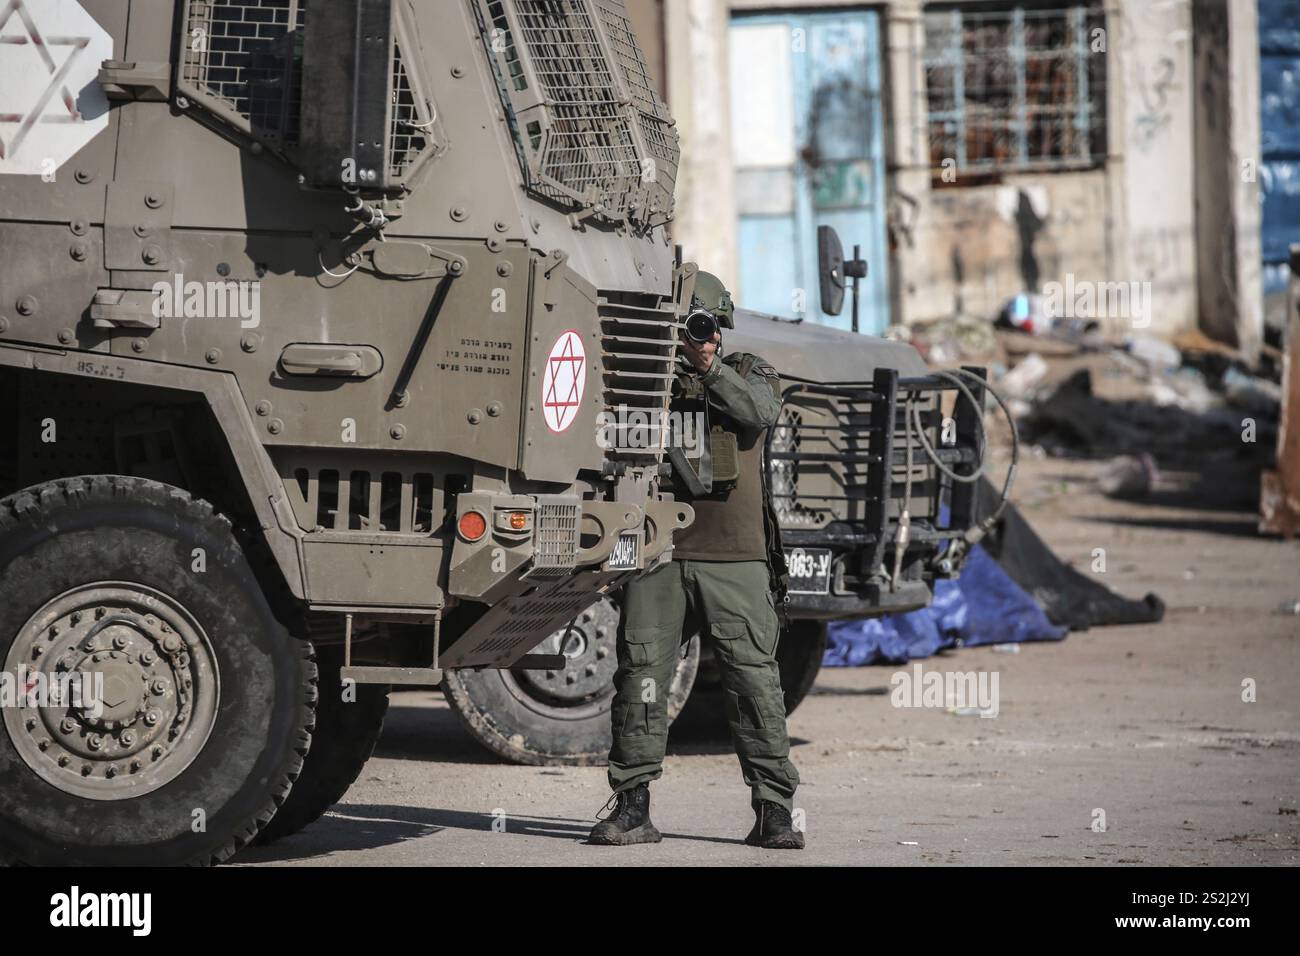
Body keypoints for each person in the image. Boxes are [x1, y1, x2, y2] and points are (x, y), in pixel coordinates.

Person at [588, 271, 803, 850]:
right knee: (641, 678)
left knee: (753, 683)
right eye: (683, 327)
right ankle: (632, 804)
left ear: (720, 328)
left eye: (701, 327)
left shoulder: (750, 372)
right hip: (658, 552)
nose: (693, 336)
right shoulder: (644, 374)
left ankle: (775, 810)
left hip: (735, 557)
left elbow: (759, 413)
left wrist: (707, 367)